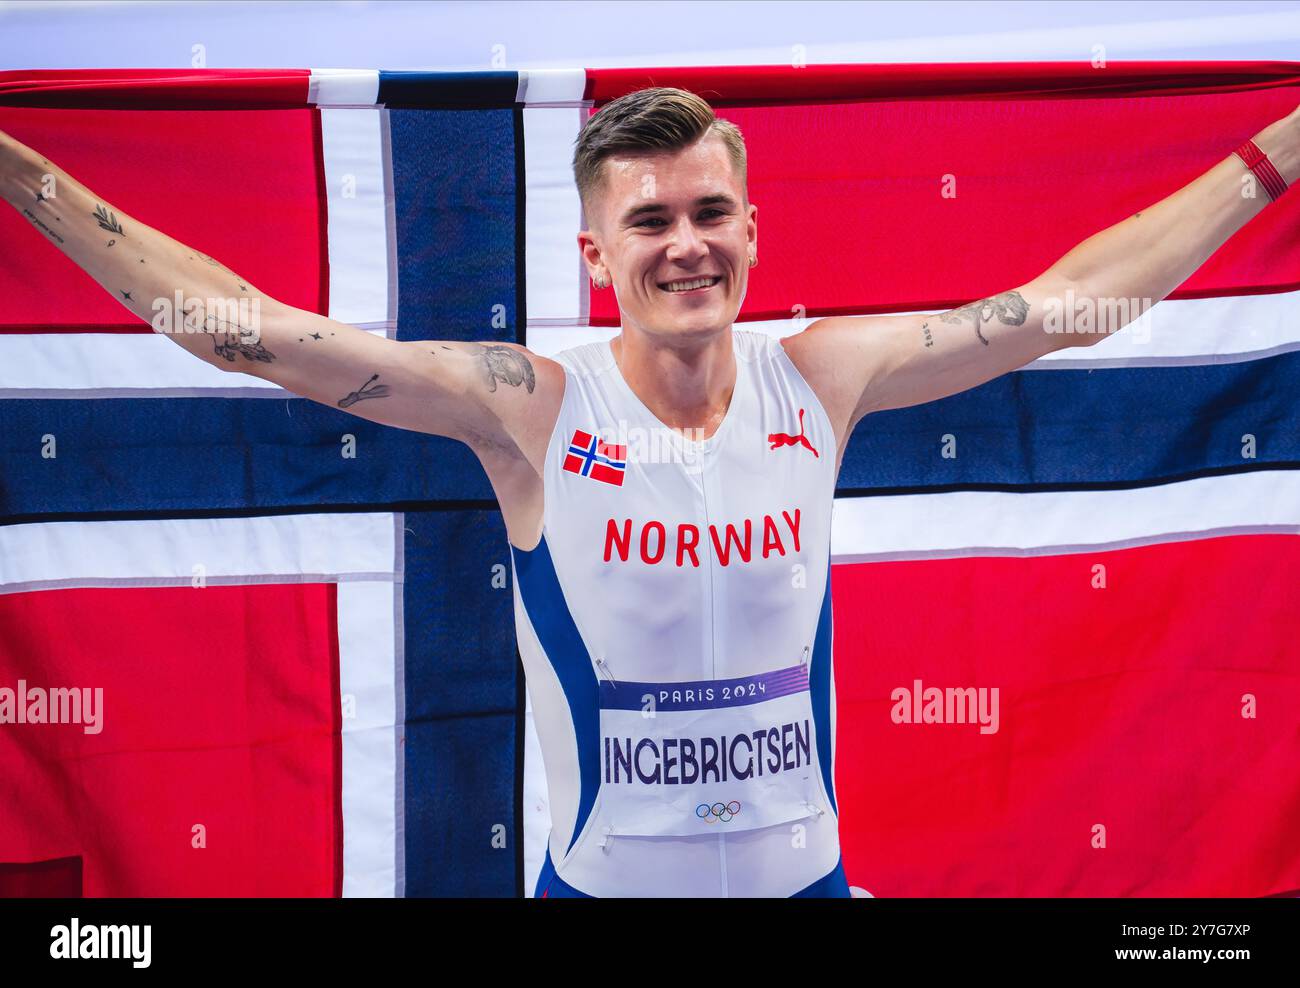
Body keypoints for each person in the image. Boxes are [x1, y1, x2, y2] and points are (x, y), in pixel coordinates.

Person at [1, 87, 1294, 898]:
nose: (687, 242)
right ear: (593, 252)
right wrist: (27, 178)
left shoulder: (823, 378)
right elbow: (257, 337)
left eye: (710, 211)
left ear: (752, 230)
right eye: (649, 220)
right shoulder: (530, 407)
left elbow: (1062, 310)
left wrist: (1268, 166)